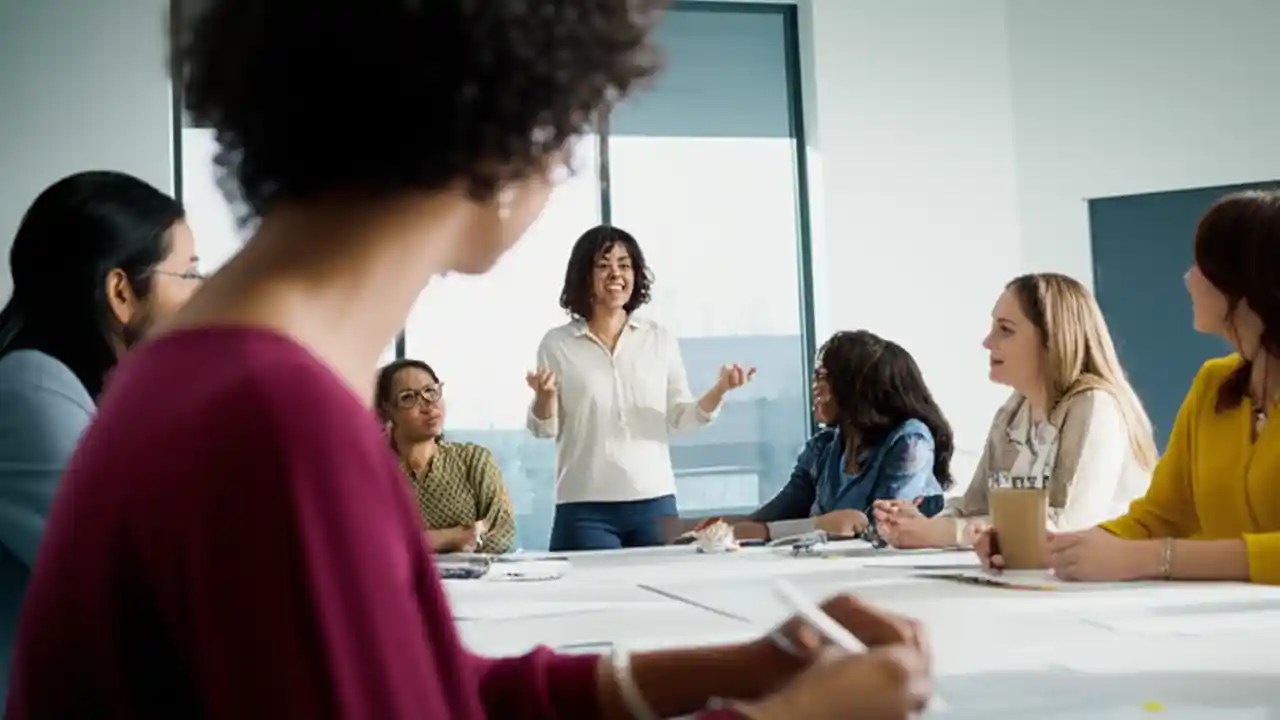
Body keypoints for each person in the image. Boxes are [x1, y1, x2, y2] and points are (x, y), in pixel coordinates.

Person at [6, 3, 932, 719]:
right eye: (567, 127)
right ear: (498, 138)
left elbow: (439, 691)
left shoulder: (209, 380)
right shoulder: (272, 425)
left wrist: (744, 665)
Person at [1006, 191, 1280, 585]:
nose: (1187, 277)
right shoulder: (1213, 383)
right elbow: (1159, 516)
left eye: (1201, 264)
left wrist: (1157, 559)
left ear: (1245, 281)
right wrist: (1050, 549)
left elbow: (1151, 547)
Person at [0, 170, 200, 703]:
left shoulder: (77, 390)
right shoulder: (32, 392)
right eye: (189, 275)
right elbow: (138, 585)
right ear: (120, 293)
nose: (202, 298)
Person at [875, 273, 1158, 551]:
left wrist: (943, 533)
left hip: (1106, 586)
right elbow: (976, 506)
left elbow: (1070, 524)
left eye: (1005, 329)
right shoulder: (1013, 411)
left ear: (1053, 340)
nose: (987, 342)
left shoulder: (1095, 405)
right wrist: (920, 523)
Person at [527, 224, 756, 552]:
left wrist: (719, 389)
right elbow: (544, 429)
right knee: (591, 601)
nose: (615, 274)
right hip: (584, 508)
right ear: (584, 276)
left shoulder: (658, 338)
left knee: (662, 601)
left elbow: (682, 418)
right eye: (603, 266)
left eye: (624, 265)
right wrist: (544, 397)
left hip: (654, 505)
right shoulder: (557, 343)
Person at [689, 331, 953, 542]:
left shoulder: (910, 441)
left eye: (822, 376)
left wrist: (773, 531)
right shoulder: (824, 446)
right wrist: (721, 528)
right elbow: (777, 514)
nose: (814, 386)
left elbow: (881, 530)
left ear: (855, 385)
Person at [376, 359, 517, 554]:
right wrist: (453, 536)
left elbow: (502, 533)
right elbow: (370, 545)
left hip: (475, 582)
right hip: (399, 583)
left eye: (431, 392)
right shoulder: (374, 474)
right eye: (408, 398)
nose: (428, 406)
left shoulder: (473, 460)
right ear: (387, 409)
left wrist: (414, 543)